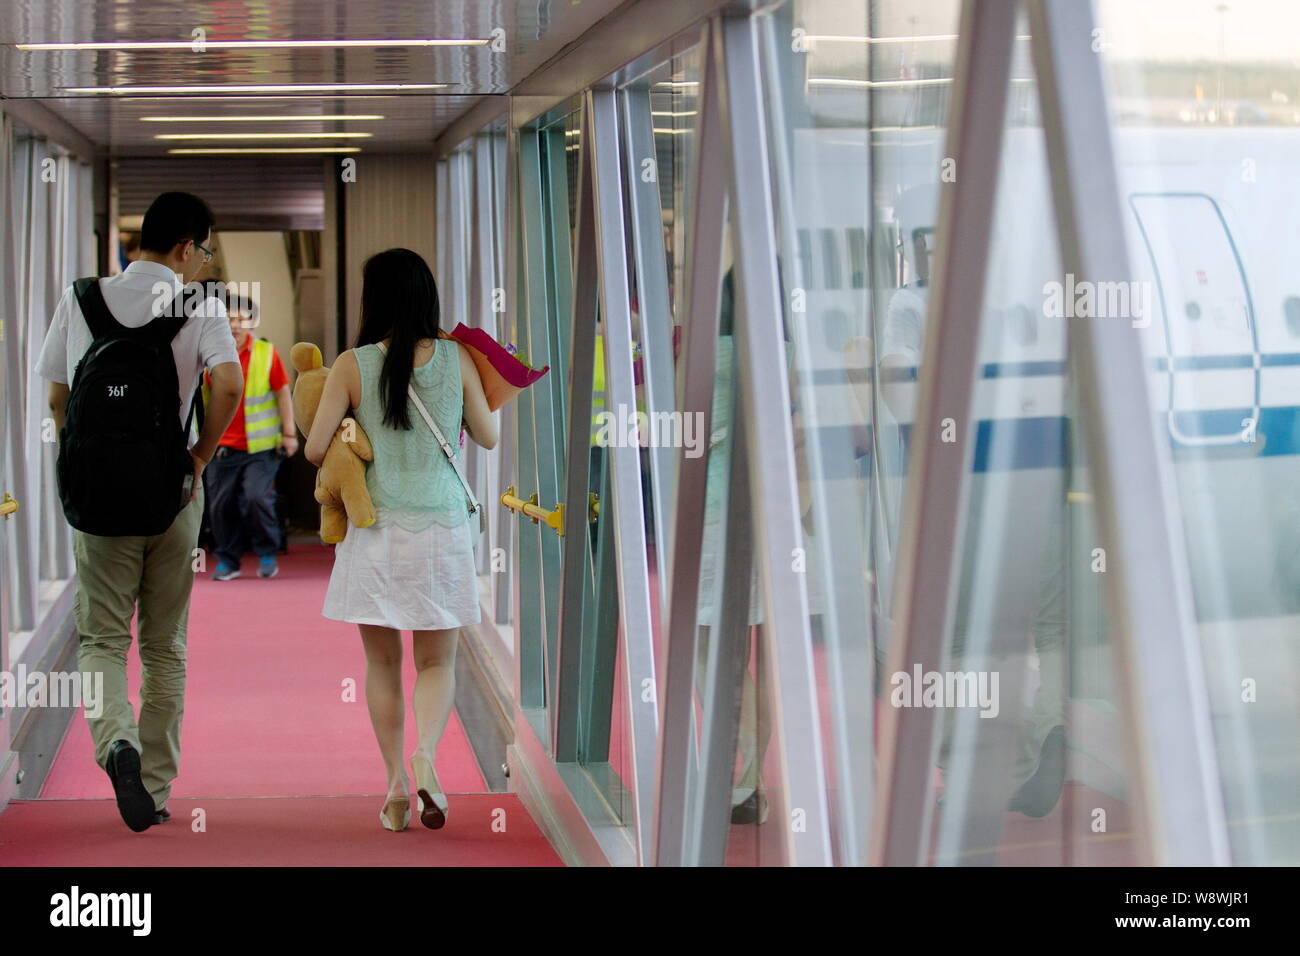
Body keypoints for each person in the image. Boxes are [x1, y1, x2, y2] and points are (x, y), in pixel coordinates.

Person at [36, 192, 243, 832]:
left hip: (99, 503)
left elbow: (56, 399)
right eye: (204, 250)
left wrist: (86, 463)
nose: (206, 263)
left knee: (100, 638)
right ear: (184, 247)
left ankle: (113, 745)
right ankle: (153, 789)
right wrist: (201, 457)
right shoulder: (198, 305)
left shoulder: (80, 297)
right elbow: (231, 385)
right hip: (171, 496)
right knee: (163, 645)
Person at [306, 248, 497, 832]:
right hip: (442, 528)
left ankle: (393, 788)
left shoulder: (352, 364)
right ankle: (426, 758)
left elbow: (315, 450)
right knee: (437, 661)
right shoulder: (457, 357)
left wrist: (349, 428)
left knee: (382, 663)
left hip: (376, 530)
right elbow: (487, 437)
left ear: (375, 299)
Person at [203, 294, 298, 581]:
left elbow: (283, 393)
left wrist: (290, 433)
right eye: (228, 319)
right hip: (221, 446)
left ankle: (267, 552)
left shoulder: (267, 353)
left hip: (261, 445)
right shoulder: (209, 354)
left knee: (258, 497)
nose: (234, 325)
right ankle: (228, 560)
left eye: (240, 319)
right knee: (221, 505)